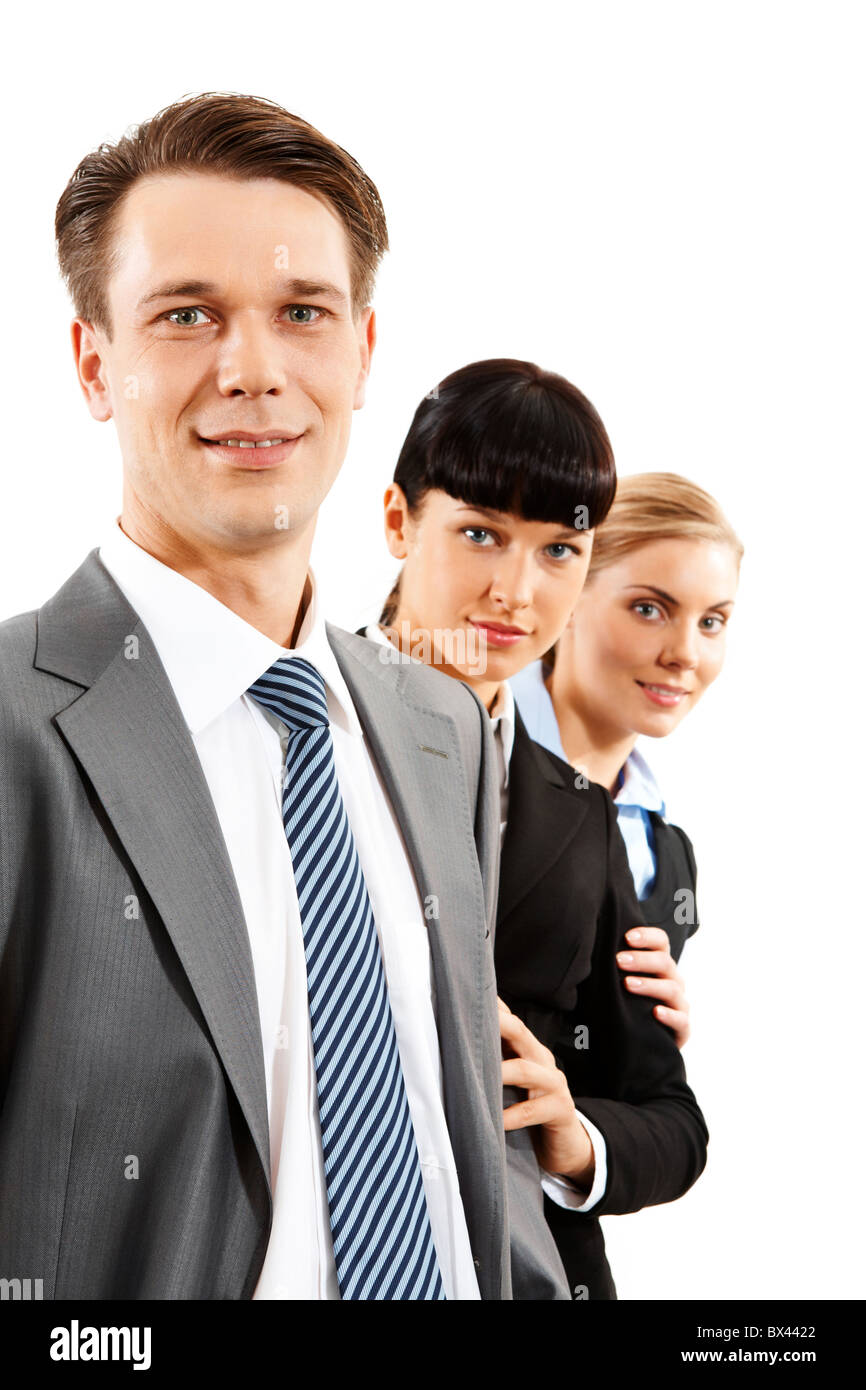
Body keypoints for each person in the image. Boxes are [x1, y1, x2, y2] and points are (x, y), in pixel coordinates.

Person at [0, 94, 571, 1300]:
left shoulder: (440, 730)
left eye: (301, 313)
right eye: (186, 314)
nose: (251, 369)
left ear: (362, 354)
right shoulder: (13, 730)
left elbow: (454, 1099)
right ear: (95, 364)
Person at [364, 358, 710, 1298]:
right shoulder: (283, 727)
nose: (517, 592)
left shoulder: (586, 814)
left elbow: (670, 1121)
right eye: (481, 533)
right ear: (399, 522)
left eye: (560, 550)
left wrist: (573, 1132)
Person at [510, 473, 743, 1046]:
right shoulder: (476, 759)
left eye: (711, 621)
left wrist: (646, 1046)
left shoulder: (667, 853)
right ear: (566, 598)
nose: (685, 654)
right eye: (648, 609)